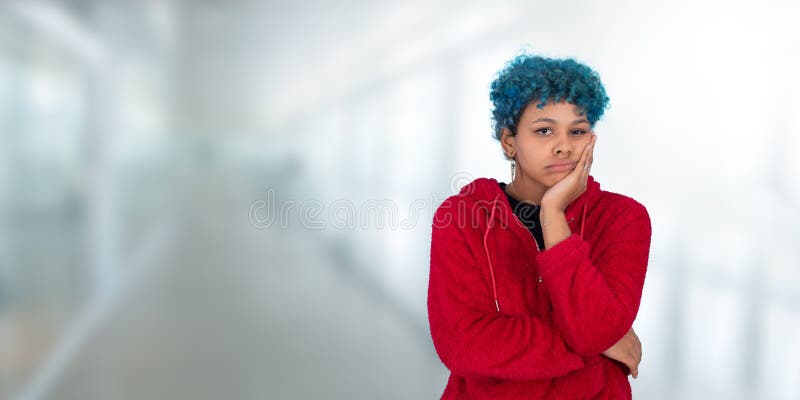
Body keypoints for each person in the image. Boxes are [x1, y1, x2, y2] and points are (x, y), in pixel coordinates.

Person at [427, 53, 652, 399]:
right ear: (509, 142)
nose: (564, 146)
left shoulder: (624, 219)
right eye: (544, 130)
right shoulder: (460, 218)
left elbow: (596, 331)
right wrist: (597, 343)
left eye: (577, 131)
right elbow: (463, 345)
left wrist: (552, 215)